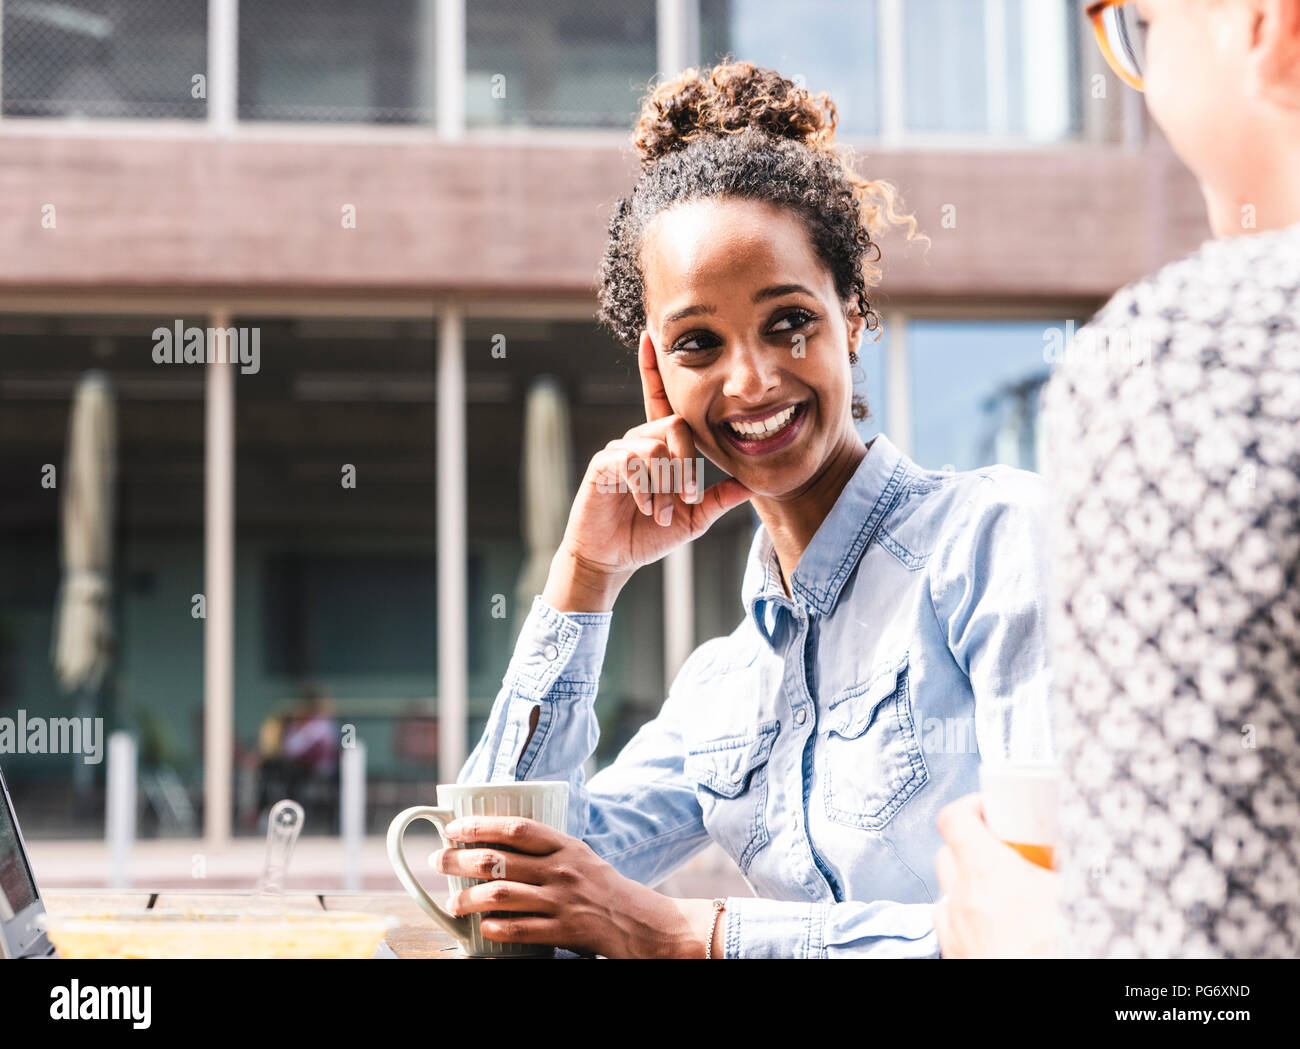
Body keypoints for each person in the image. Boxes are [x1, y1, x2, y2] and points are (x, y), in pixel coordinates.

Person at [437, 61, 1054, 958]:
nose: (753, 379)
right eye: (699, 343)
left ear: (853, 313)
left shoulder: (995, 544)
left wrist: (690, 931)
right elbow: (494, 889)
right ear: (659, 374)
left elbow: (1054, 925)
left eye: (789, 321)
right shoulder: (722, 691)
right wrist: (582, 577)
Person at [935, 0, 1300, 958]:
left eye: (1138, 24)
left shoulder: (1191, 361)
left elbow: (1188, 987)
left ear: (1271, 24)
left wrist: (1025, 940)